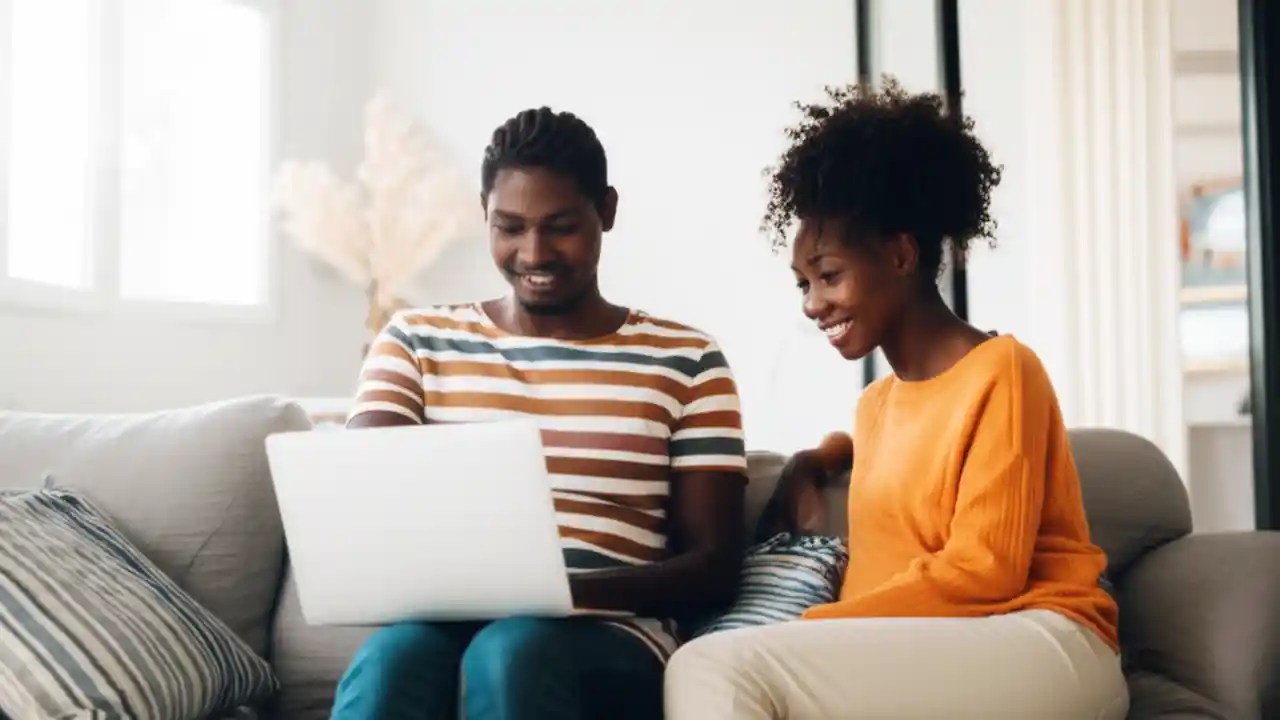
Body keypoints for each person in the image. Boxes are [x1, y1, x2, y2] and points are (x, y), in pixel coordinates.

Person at [664, 81, 1129, 719]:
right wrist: (815, 461)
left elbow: (985, 570)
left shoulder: (1004, 372)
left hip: (1045, 638)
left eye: (829, 275)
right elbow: (909, 473)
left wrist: (813, 627)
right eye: (803, 283)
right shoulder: (876, 406)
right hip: (941, 647)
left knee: (712, 666)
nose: (812, 303)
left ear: (901, 255)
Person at [330, 107, 748, 720]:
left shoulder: (686, 360)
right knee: (395, 659)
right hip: (445, 624)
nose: (534, 252)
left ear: (606, 211)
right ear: (484, 216)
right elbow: (369, 520)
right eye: (510, 227)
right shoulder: (415, 342)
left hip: (613, 635)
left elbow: (712, 568)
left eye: (560, 227)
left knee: (512, 649)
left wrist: (550, 595)